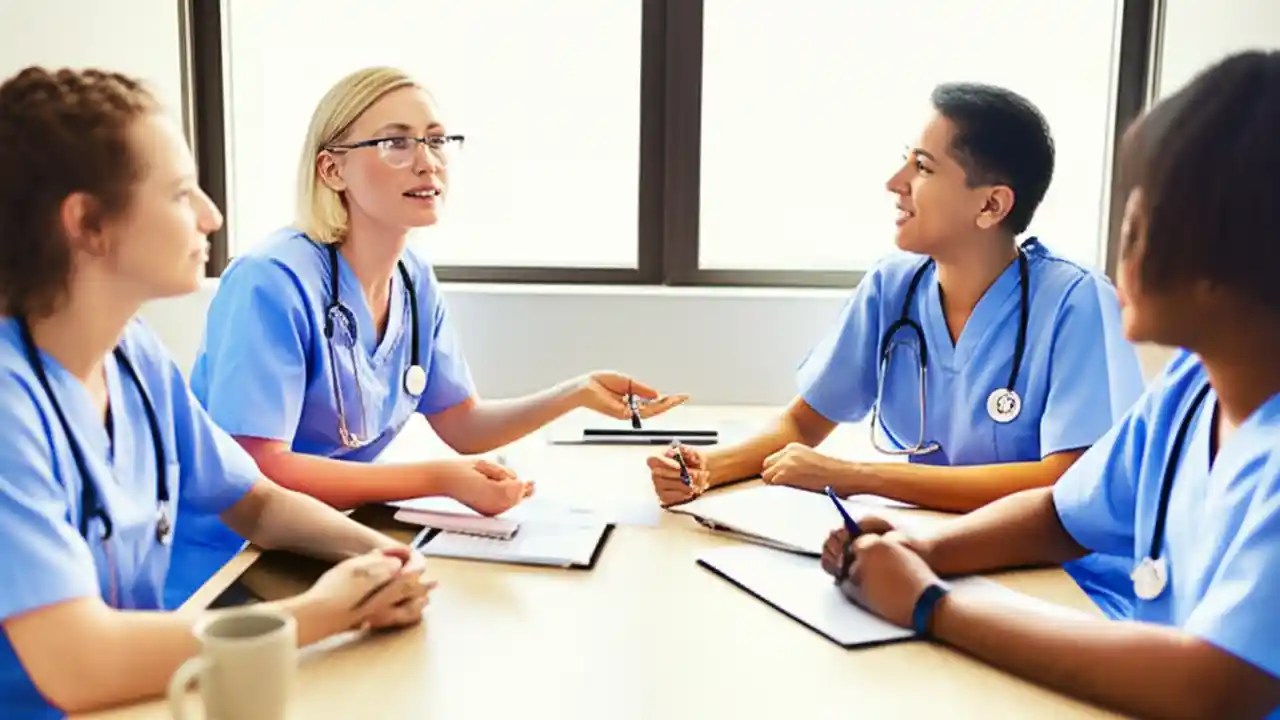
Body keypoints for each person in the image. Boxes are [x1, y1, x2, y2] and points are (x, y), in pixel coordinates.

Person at [820, 50, 1280, 719]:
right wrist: (922, 548)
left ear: (1235, 242)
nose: (1125, 240)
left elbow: (1213, 686)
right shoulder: (1192, 389)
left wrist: (930, 605)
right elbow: (1061, 513)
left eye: (1147, 214)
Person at [0, 67, 435, 718]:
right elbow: (77, 662)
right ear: (87, 223)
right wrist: (321, 613)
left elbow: (255, 503)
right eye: (180, 194)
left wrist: (382, 556)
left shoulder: (133, 356)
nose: (211, 214)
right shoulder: (10, 408)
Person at [172, 66, 687, 606]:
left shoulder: (413, 281)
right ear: (332, 169)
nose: (427, 161)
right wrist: (441, 478)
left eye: (436, 140)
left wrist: (576, 393)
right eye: (396, 142)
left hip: (331, 545)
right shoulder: (270, 281)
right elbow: (262, 469)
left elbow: (463, 422)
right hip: (228, 564)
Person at [648, 83, 1145, 617]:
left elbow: (1065, 485)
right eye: (904, 162)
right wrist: (707, 467)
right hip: (934, 550)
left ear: (991, 204)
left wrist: (857, 476)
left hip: (1063, 578)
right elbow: (800, 427)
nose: (895, 184)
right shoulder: (894, 286)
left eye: (924, 168)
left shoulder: (1075, 302)